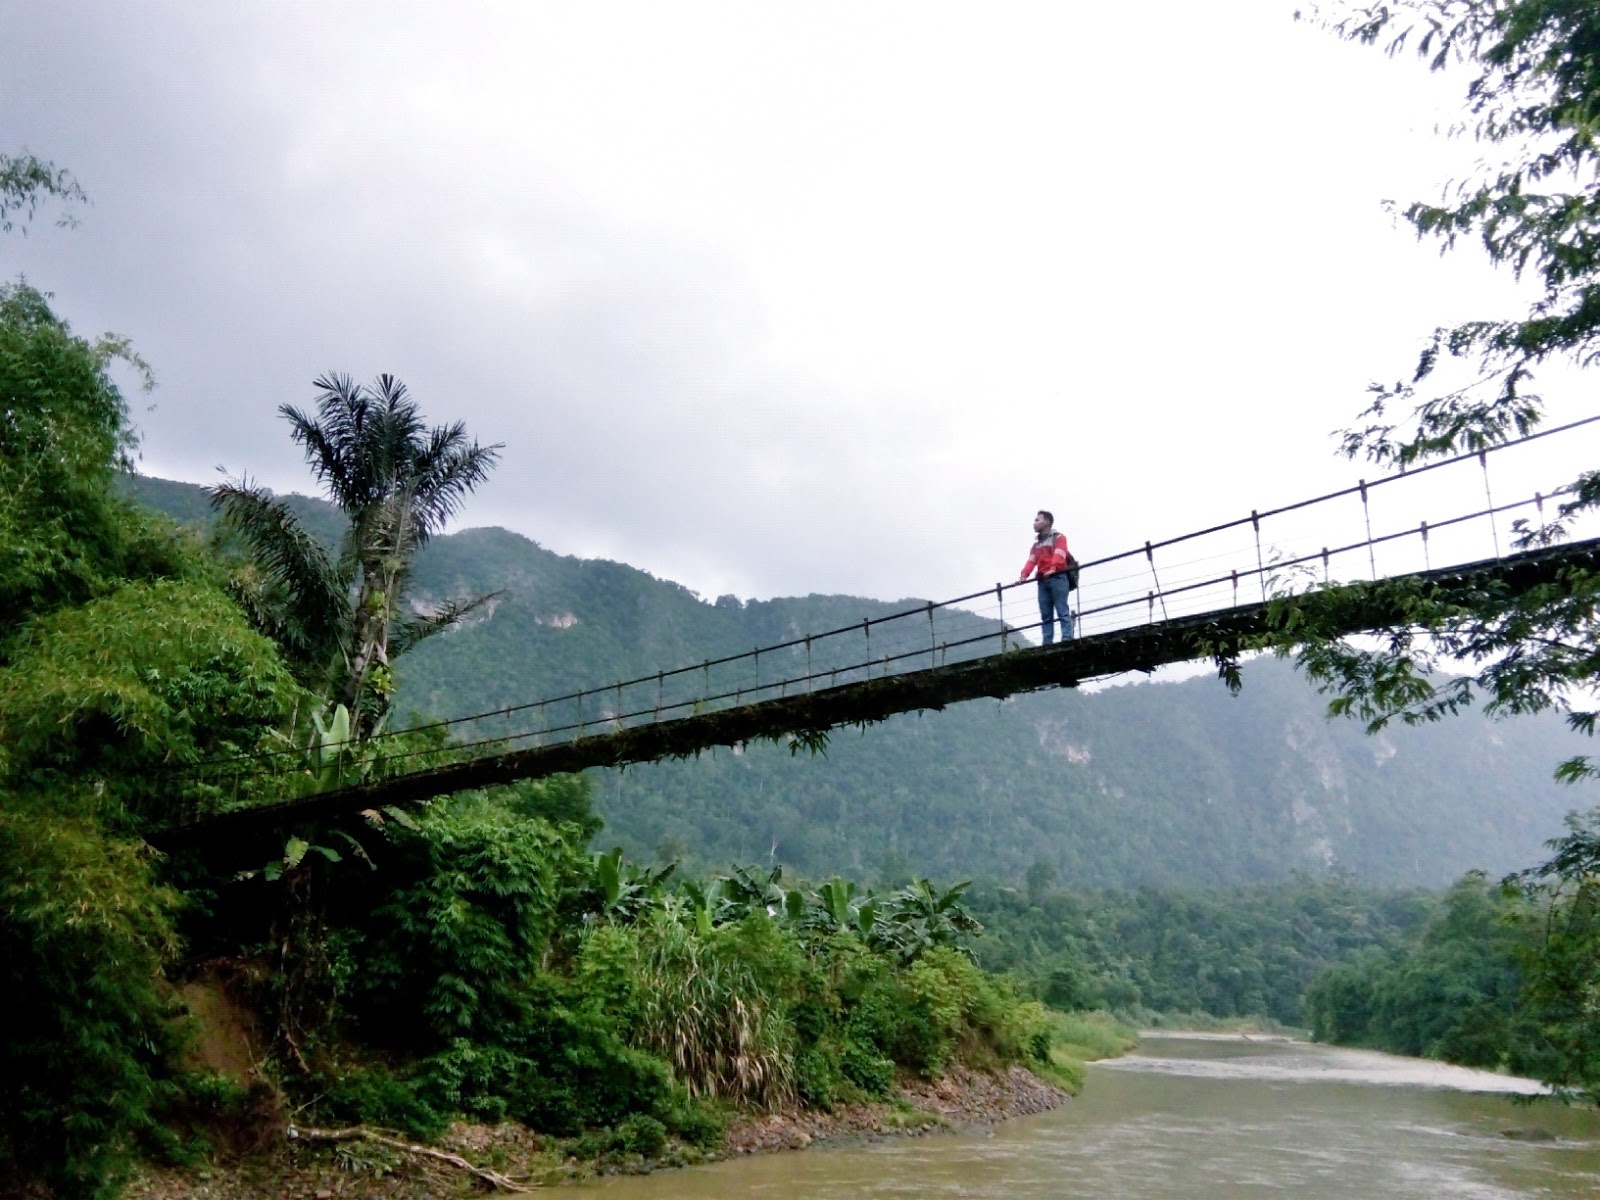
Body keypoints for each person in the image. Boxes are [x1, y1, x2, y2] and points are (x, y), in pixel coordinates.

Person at [1019, 509, 1073, 644]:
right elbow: (1031, 561)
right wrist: (1024, 575)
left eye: (1037, 520)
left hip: (1058, 577)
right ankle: (1047, 642)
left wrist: (1053, 568)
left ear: (1047, 522)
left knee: (1062, 609)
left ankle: (1067, 637)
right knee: (1046, 614)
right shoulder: (1036, 545)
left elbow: (1060, 554)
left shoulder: (1059, 537)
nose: (1034, 523)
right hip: (1043, 580)